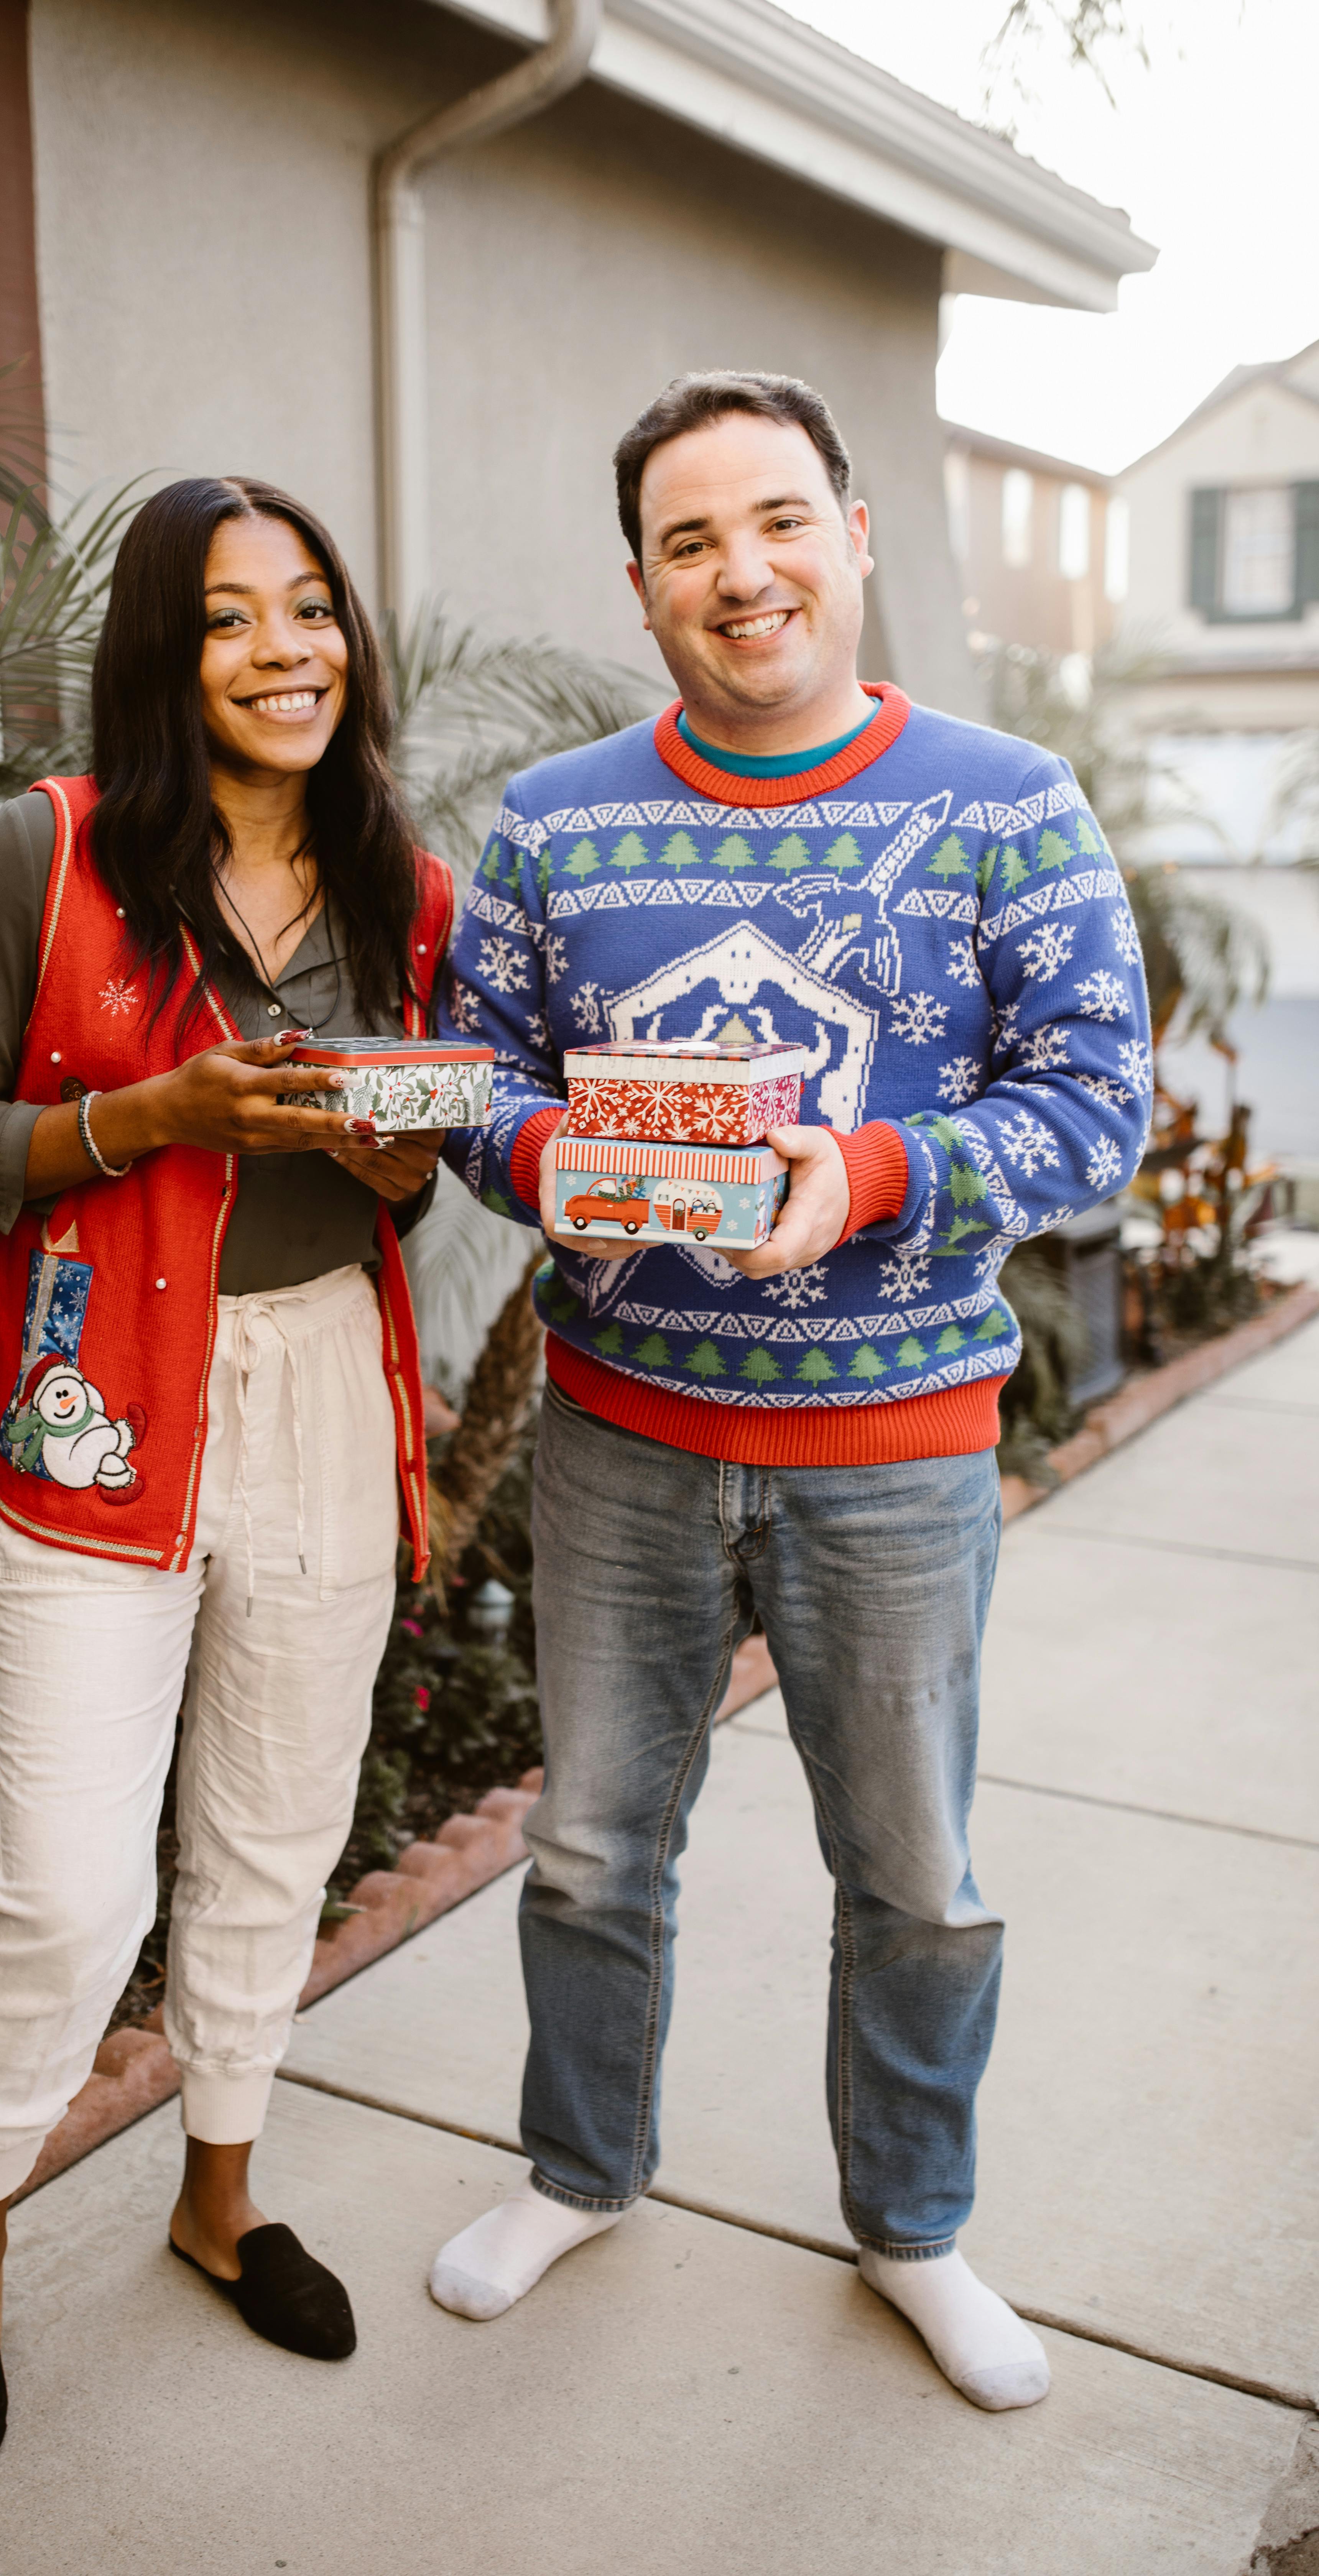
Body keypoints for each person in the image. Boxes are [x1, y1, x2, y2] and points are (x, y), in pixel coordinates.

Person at [430, 372, 1152, 2411]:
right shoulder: (556, 823)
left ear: (846, 533)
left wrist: (871, 1175)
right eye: (688, 541)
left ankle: (915, 2229)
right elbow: (474, 1066)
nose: (739, 571)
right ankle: (580, 2169)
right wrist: (535, 1153)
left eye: (775, 522)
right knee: (587, 1847)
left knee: (914, 1879)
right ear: (641, 585)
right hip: (625, 1440)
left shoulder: (1005, 802)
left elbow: (1098, 1107)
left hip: (900, 1454)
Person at [0, 475, 453, 2489]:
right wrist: (150, 1116)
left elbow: (420, 1145)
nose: (290, 649)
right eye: (233, 618)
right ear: (164, 651)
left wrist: (398, 1160)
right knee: (63, 1883)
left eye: (315, 610)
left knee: (277, 1832)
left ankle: (220, 2191)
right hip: (110, 1396)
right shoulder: (46, 859)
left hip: (318, 1393)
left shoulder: (408, 882)